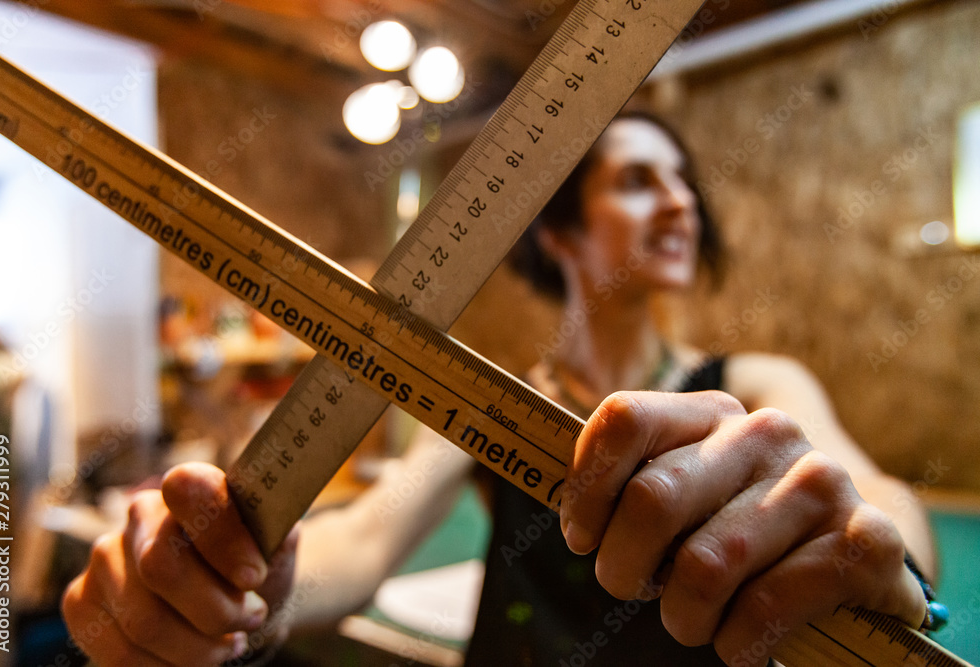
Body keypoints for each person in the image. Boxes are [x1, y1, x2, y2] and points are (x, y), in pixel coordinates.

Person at [61, 111, 938, 666]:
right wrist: (242, 588)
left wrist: (875, 549)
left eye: (683, 184)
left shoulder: (754, 385)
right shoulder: (490, 403)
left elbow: (887, 503)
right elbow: (360, 541)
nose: (681, 204)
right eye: (638, 181)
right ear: (557, 229)